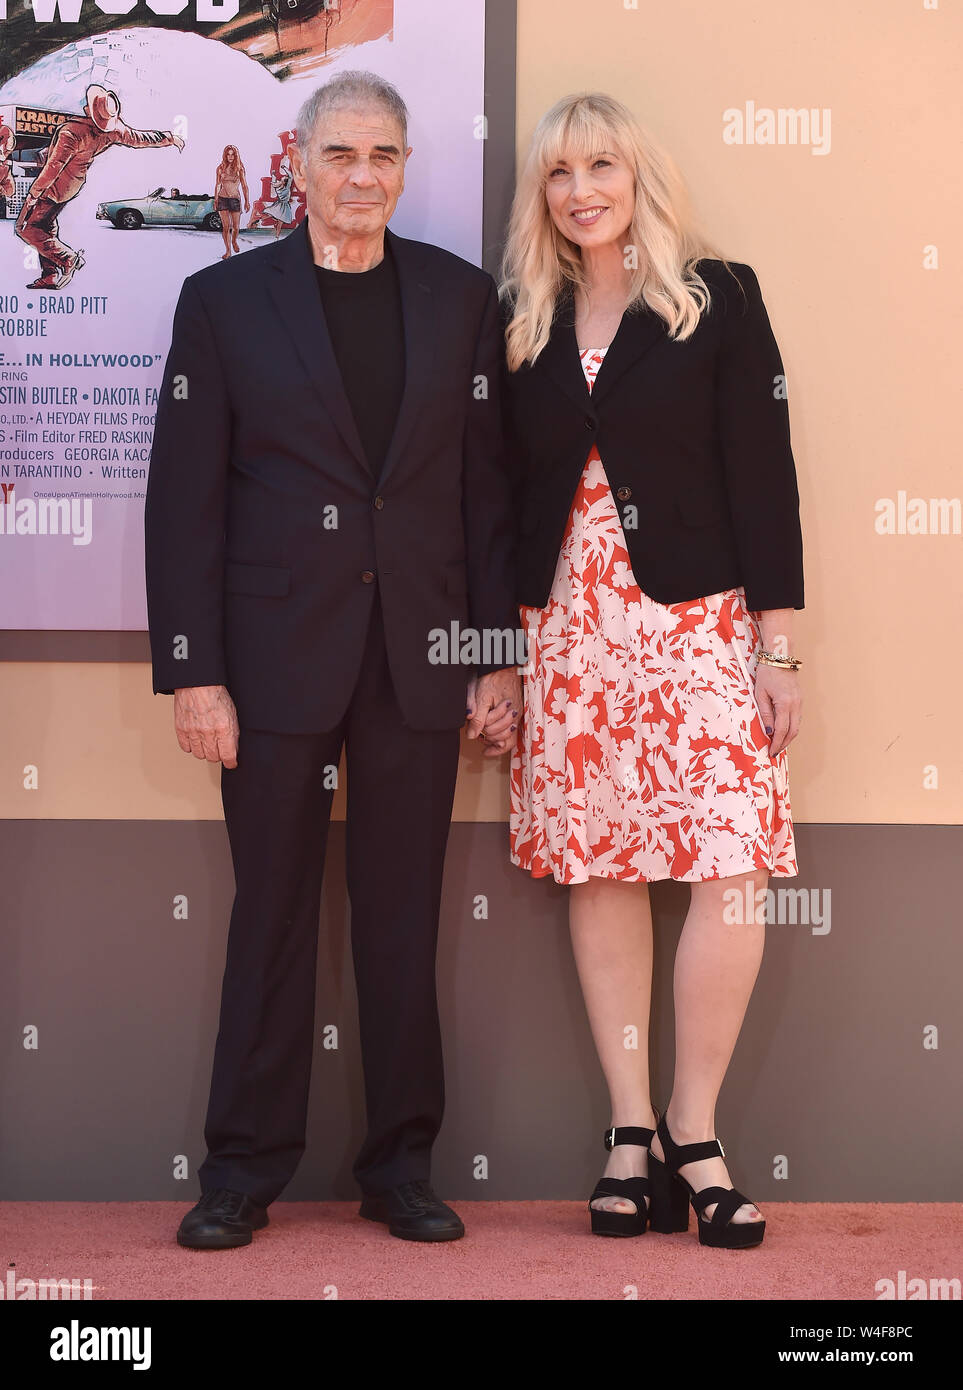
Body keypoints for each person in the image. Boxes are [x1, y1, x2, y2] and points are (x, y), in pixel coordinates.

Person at [144, 70, 520, 1249]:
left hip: (420, 659)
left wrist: (495, 652)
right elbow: (183, 501)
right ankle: (241, 1172)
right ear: (297, 161)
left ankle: (400, 1167)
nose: (364, 177)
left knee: (403, 919)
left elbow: (487, 496)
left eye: (386, 156)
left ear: (406, 169)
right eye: (343, 154)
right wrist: (194, 669)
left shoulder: (460, 301)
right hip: (268, 665)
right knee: (272, 917)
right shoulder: (222, 302)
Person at [498, 92, 804, 1249]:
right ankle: (628, 1129)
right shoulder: (522, 311)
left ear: (639, 175)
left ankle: (696, 1128)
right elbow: (496, 498)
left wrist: (778, 646)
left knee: (732, 860)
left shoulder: (717, 298)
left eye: (602, 166)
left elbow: (763, 475)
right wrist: (499, 652)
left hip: (699, 627)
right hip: (569, 629)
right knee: (602, 865)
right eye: (561, 172)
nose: (582, 189)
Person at [15, 83, 184, 289]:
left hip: (53, 188)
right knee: (45, 227)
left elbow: (54, 167)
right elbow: (140, 138)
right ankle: (49, 276)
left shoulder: (72, 132)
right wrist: (169, 138)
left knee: (26, 227)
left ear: (89, 108)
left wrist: (35, 192)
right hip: (73, 185)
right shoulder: (113, 131)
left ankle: (68, 259)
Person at [213, 143, 249, 258]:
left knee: (236, 227)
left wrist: (247, 201)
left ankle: (234, 241)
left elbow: (244, 186)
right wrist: (216, 199)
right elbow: (218, 185)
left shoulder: (240, 169)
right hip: (222, 199)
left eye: (232, 155)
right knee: (226, 227)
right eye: (228, 155)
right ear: (225, 155)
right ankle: (228, 251)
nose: (230, 157)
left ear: (236, 156)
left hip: (234, 199)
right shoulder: (220, 168)